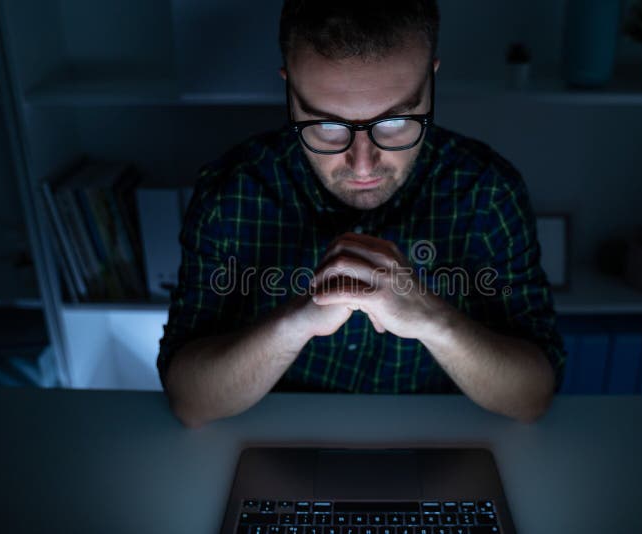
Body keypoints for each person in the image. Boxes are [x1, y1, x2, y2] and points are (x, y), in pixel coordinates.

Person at [158, 0, 566, 428]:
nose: (364, 164)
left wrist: (431, 319)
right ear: (289, 90)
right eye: (328, 126)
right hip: (278, 447)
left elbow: (532, 397)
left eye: (395, 122)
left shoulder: (487, 190)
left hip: (437, 446)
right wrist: (295, 322)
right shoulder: (232, 191)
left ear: (431, 80)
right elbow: (189, 401)